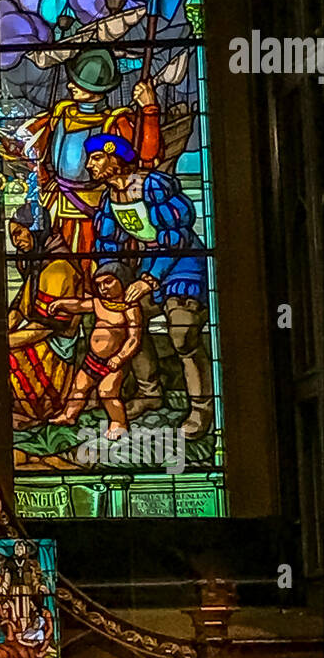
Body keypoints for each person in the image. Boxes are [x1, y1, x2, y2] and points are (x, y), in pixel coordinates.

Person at [85, 132, 214, 439]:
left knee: (183, 334)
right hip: (148, 269)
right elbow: (108, 245)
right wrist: (110, 282)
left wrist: (149, 279)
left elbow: (175, 237)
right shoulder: (109, 198)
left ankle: (201, 408)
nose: (89, 166)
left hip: (182, 266)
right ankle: (149, 392)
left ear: (115, 158)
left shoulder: (152, 185)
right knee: (128, 320)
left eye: (96, 158)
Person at [9, 48, 162, 254]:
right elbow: (30, 138)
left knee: (89, 260)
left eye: (80, 83)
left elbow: (145, 157)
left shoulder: (115, 121)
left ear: (99, 88)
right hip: (56, 201)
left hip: (94, 206)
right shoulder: (61, 111)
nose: (71, 86)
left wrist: (149, 109)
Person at [49, 263, 159, 437]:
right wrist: (62, 303)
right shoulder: (99, 303)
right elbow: (79, 305)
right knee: (79, 388)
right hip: (93, 359)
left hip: (114, 362)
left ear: (122, 281)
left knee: (107, 392)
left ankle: (118, 423)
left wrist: (121, 357)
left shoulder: (130, 308)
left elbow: (134, 338)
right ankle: (68, 415)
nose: (103, 288)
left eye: (108, 282)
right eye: (99, 284)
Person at [7, 203, 84, 426]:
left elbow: (44, 327)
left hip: (54, 352)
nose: (15, 241)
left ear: (36, 230)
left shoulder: (58, 268)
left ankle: (37, 411)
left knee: (4, 359)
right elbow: (19, 310)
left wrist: (3, 342)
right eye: (13, 235)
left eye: (19, 233)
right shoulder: (38, 263)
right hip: (39, 341)